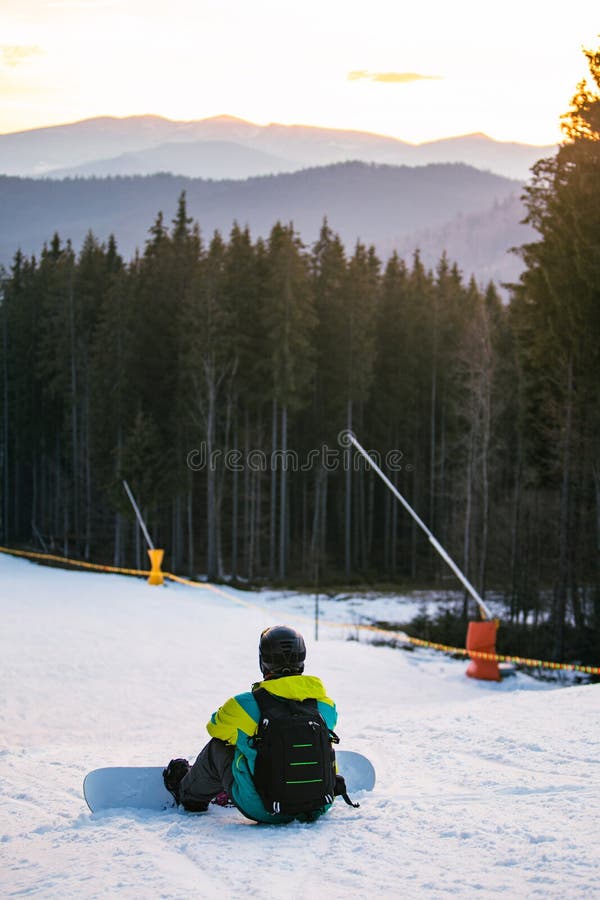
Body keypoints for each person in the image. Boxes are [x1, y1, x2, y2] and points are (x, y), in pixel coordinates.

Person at [163, 624, 340, 824]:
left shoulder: (245, 705)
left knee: (220, 746)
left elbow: (214, 727)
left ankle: (189, 794)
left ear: (262, 661)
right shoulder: (325, 705)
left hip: (263, 808)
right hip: (318, 804)